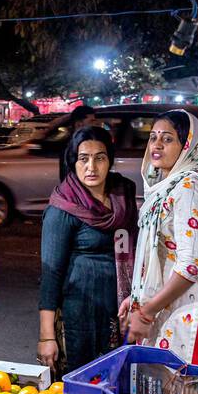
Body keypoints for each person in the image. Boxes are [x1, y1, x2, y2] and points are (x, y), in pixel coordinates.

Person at [118, 109, 198, 366]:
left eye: (168, 139)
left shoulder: (188, 188)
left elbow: (191, 263)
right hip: (168, 308)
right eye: (153, 137)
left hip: (186, 313)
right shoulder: (169, 187)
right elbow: (165, 255)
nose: (157, 145)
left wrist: (147, 312)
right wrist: (139, 295)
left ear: (187, 145)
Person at [38, 125, 138, 373]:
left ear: (110, 161)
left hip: (116, 310)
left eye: (99, 158)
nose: (91, 167)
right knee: (80, 386)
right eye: (83, 159)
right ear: (73, 162)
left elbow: (136, 246)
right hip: (78, 316)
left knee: (115, 382)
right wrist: (46, 336)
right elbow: (50, 275)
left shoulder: (123, 194)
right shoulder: (63, 207)